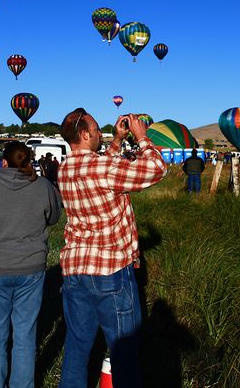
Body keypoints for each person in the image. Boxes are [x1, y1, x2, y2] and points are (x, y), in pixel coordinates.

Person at [57, 110, 167, 388]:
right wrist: (142, 137)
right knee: (124, 352)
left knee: (77, 349)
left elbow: (99, 169)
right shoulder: (103, 170)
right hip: (111, 271)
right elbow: (156, 169)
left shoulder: (64, 169)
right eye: (96, 130)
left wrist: (117, 140)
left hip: (75, 271)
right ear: (84, 134)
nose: (100, 133)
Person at [0, 141, 62, 388]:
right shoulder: (41, 185)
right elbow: (54, 216)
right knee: (24, 334)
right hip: (30, 265)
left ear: (3, 162)